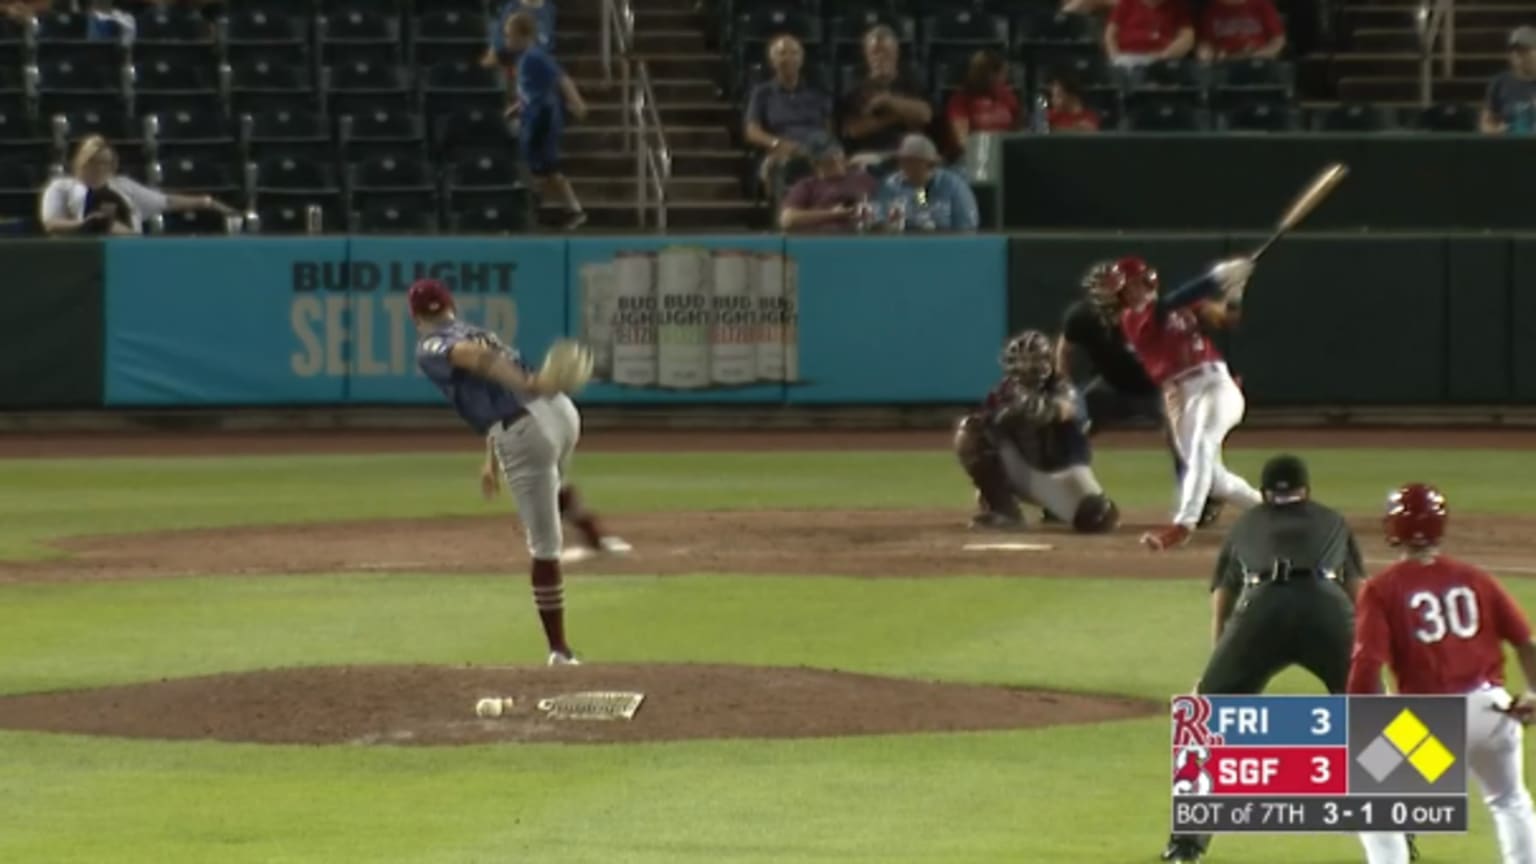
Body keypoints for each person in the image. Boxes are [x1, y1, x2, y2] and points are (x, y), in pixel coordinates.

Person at [410, 278, 630, 666]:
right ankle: (596, 537)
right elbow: (484, 366)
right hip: (560, 414)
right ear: (451, 305)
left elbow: (473, 359)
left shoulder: (430, 345)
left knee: (544, 547)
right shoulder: (479, 330)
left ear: (414, 316)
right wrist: (491, 458)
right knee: (553, 484)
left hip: (525, 427)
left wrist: (528, 381)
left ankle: (559, 652)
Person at [1160, 455, 1368, 864]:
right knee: (1373, 716)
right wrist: (1368, 664)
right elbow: (1360, 590)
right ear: (1306, 490)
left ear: (1266, 492)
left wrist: (1218, 665)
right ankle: (1401, 837)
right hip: (1326, 606)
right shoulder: (1332, 519)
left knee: (1208, 720)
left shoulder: (1246, 523)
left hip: (1260, 607)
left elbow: (1222, 595)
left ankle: (1185, 846)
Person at [1348, 483, 1536, 864]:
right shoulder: (1475, 578)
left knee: (1368, 796)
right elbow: (1526, 642)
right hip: (1492, 712)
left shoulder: (1382, 589)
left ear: (1393, 528)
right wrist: (1534, 693)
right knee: (1510, 799)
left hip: (1431, 724)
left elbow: (1367, 666)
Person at [1090, 255, 1262, 550]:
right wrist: (1216, 279)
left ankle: (1183, 524)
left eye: (1132, 286)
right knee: (1214, 479)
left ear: (1147, 281)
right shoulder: (1133, 319)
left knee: (1202, 445)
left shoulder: (1184, 305)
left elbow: (1227, 319)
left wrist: (1235, 292)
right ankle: (1272, 509)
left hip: (1215, 384)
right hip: (1180, 398)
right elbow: (1168, 305)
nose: (1128, 293)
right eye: (1124, 290)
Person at [1063, 261, 1222, 527]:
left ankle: (1203, 497)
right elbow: (1064, 350)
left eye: (1114, 289)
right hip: (1110, 387)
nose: (1108, 295)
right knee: (1068, 424)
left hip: (1156, 389)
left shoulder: (1151, 315)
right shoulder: (1083, 316)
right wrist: (1067, 390)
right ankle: (1068, 495)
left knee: (1180, 436)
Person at [954, 330, 1120, 534]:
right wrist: (1004, 414)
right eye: (1020, 362)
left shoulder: (1063, 387)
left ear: (1047, 362)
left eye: (1032, 362)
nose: (1026, 368)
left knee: (1097, 517)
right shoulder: (1005, 391)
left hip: (1062, 473)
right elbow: (984, 425)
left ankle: (1057, 507)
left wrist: (1034, 408)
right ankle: (1004, 511)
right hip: (1024, 471)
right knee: (971, 431)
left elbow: (1067, 410)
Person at [39, 135, 235, 236]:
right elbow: (52, 224)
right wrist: (85, 224)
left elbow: (166, 201)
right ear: (81, 161)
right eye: (93, 162)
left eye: (106, 163)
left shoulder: (123, 186)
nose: (100, 168)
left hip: (128, 252)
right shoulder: (61, 187)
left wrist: (206, 202)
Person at [503, 11, 588, 230]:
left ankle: (535, 209)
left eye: (509, 36)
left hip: (544, 117)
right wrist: (514, 108)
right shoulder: (523, 60)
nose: (506, 41)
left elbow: (561, 78)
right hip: (533, 115)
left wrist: (576, 102)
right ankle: (571, 209)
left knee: (541, 167)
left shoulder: (535, 56)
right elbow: (530, 93)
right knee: (548, 169)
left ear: (523, 36)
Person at [743, 34, 833, 199]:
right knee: (784, 165)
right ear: (772, 61)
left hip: (815, 149)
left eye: (794, 53)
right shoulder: (762, 93)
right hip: (782, 150)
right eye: (782, 53)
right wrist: (777, 143)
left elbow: (828, 129)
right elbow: (752, 131)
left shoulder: (817, 93)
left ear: (802, 59)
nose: (789, 58)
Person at [839, 25, 933, 166]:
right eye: (875, 52)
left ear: (896, 52)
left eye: (886, 52)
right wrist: (898, 115)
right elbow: (854, 130)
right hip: (868, 155)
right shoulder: (855, 90)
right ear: (866, 54)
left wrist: (886, 100)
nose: (881, 57)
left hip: (907, 153)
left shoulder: (912, 84)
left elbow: (925, 114)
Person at [875, 134, 978, 232]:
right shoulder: (891, 185)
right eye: (902, 161)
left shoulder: (954, 186)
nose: (904, 166)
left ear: (929, 163)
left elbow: (967, 227)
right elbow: (879, 221)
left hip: (944, 245)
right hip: (902, 245)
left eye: (911, 161)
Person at [778, 132, 878, 233]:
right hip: (824, 238)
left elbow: (882, 207)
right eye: (829, 157)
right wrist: (833, 214)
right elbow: (787, 219)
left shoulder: (862, 178)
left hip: (861, 235)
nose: (836, 160)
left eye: (837, 153)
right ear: (815, 162)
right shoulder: (807, 186)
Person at [945, 50, 1021, 148]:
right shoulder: (959, 100)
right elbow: (962, 140)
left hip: (1004, 152)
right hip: (974, 154)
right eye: (1002, 74)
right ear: (989, 75)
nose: (1005, 78)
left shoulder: (1007, 95)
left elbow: (1017, 131)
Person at [1105, 0, 1195, 68]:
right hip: (1127, 59)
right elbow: (1110, 34)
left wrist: (1165, 55)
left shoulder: (1176, 6)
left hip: (1160, 61)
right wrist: (1115, 58)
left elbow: (1188, 37)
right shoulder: (1127, 3)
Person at [1481, 26, 1536, 135]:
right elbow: (1486, 123)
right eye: (1515, 51)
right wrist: (1495, 131)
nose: (1519, 55)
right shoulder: (1500, 82)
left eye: (1525, 50)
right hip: (1510, 146)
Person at [1197, 0, 1285, 60]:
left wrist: (1261, 55)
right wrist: (1206, 56)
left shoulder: (1262, 4)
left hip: (1258, 66)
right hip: (1224, 68)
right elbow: (1206, 43)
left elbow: (1278, 40)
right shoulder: (1212, 9)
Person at [483, 0, 554, 68]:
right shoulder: (512, 6)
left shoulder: (550, 9)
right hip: (510, 61)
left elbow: (547, 42)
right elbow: (500, 33)